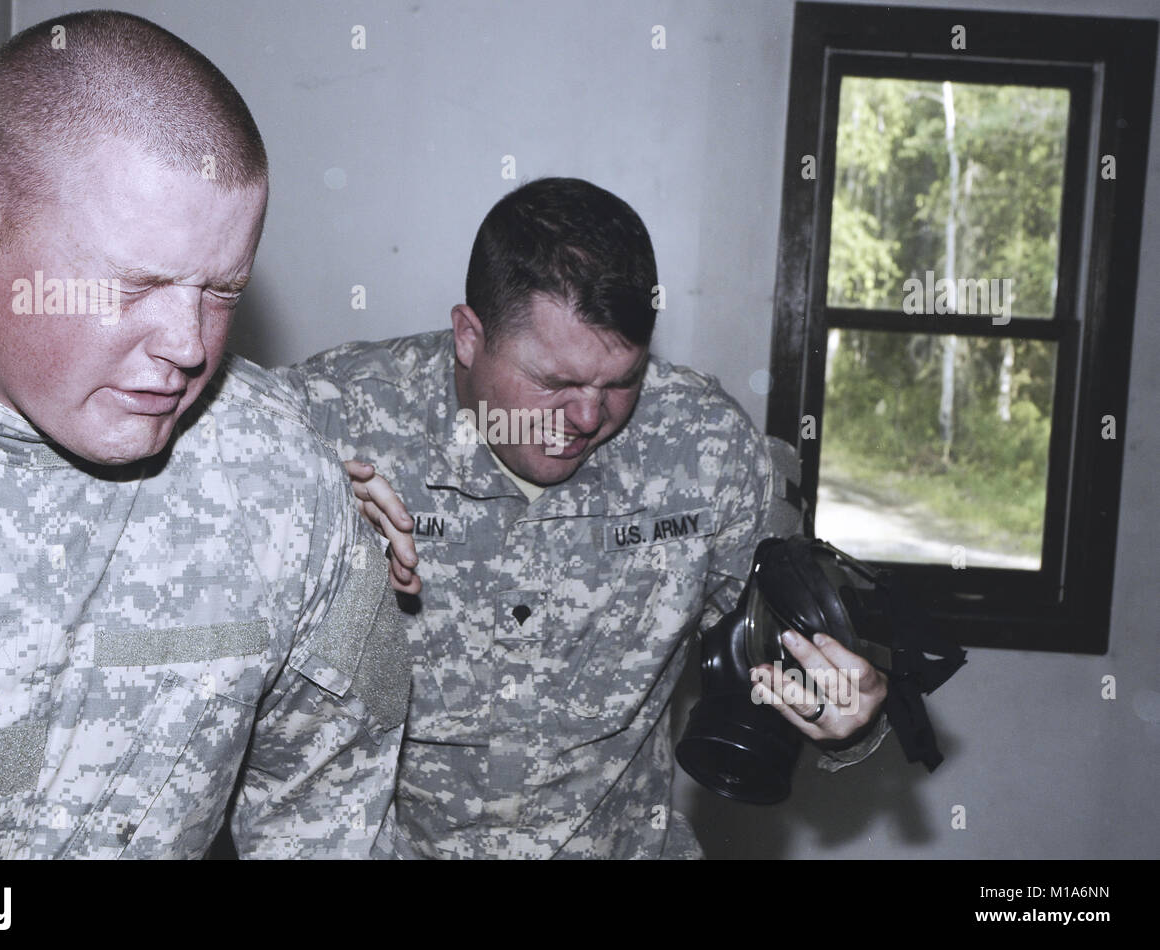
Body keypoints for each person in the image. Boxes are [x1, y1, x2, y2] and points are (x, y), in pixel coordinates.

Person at [0, 10, 408, 859]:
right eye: (135, 283)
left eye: (220, 291)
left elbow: (328, 820)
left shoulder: (282, 487)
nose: (187, 346)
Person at [286, 177, 891, 858]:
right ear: (467, 336)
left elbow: (788, 651)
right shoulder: (331, 421)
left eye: (620, 382)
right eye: (554, 383)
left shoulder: (703, 447)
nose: (585, 418)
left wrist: (848, 711)